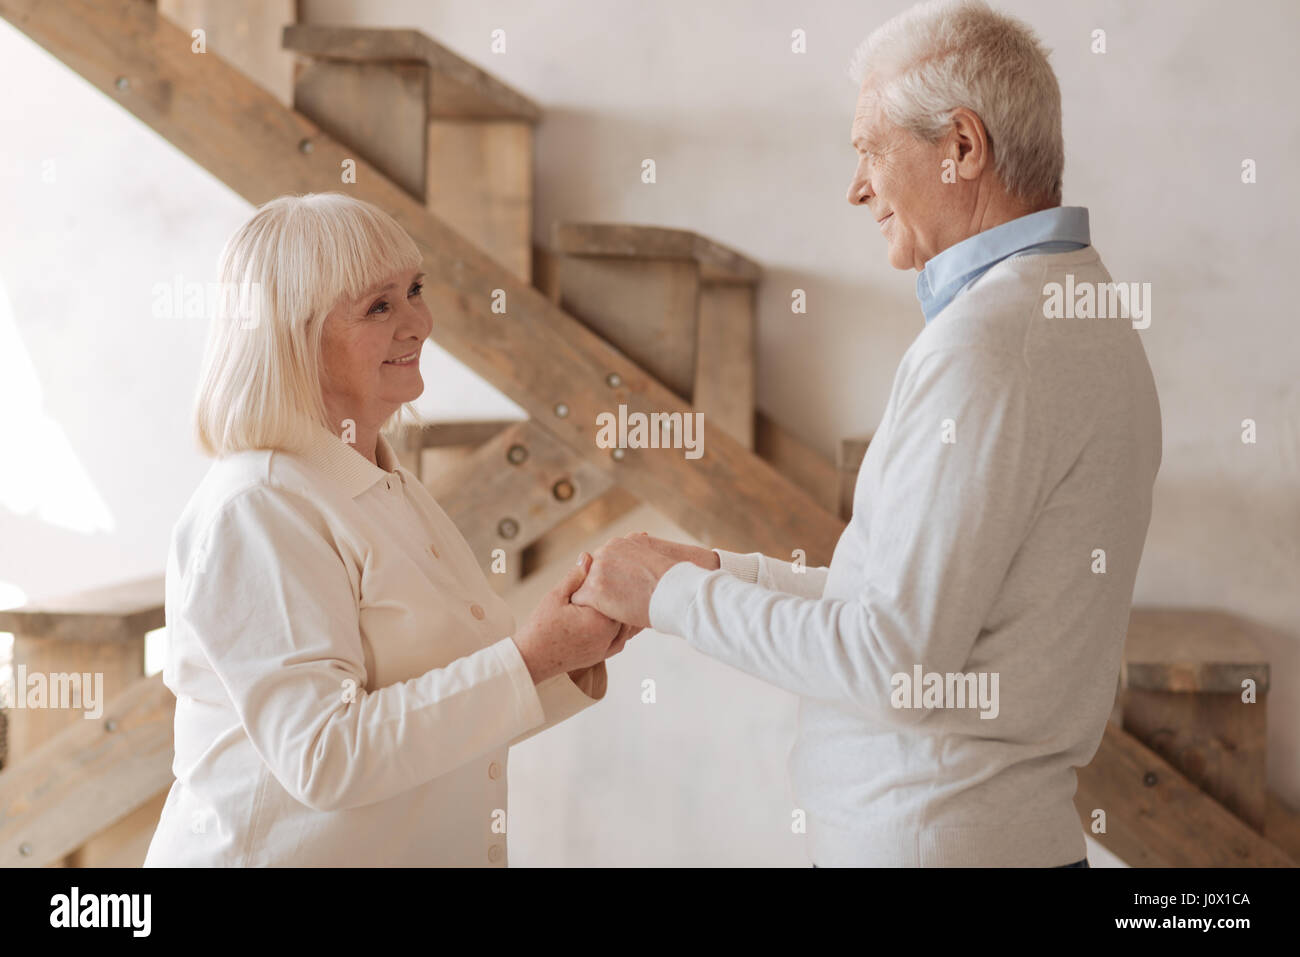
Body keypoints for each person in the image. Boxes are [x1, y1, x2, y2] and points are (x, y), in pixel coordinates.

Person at [571, 0, 1161, 867]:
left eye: (869, 149)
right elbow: (903, 607)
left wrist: (669, 596)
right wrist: (718, 571)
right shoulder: (1076, 307)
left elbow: (891, 658)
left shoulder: (990, 344)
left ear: (962, 147)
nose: (855, 187)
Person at [144, 193, 632, 866]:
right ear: (295, 335)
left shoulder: (377, 482)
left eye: (414, 290)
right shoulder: (258, 507)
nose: (421, 322)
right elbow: (326, 757)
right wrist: (535, 657)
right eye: (381, 305)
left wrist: (570, 655)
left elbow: (436, 716)